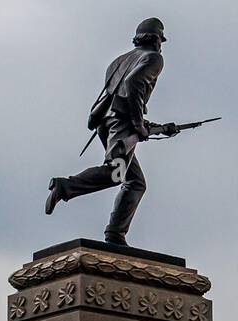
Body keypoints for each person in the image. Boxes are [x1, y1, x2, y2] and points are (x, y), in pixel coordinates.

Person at [44, 17, 179, 246]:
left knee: (135, 182)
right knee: (114, 173)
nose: (161, 46)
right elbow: (134, 84)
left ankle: (115, 234)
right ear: (156, 39)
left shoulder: (118, 60)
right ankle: (64, 186)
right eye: (160, 40)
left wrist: (150, 125)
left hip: (105, 124)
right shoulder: (154, 58)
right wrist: (137, 125)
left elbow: (115, 95)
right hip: (122, 123)